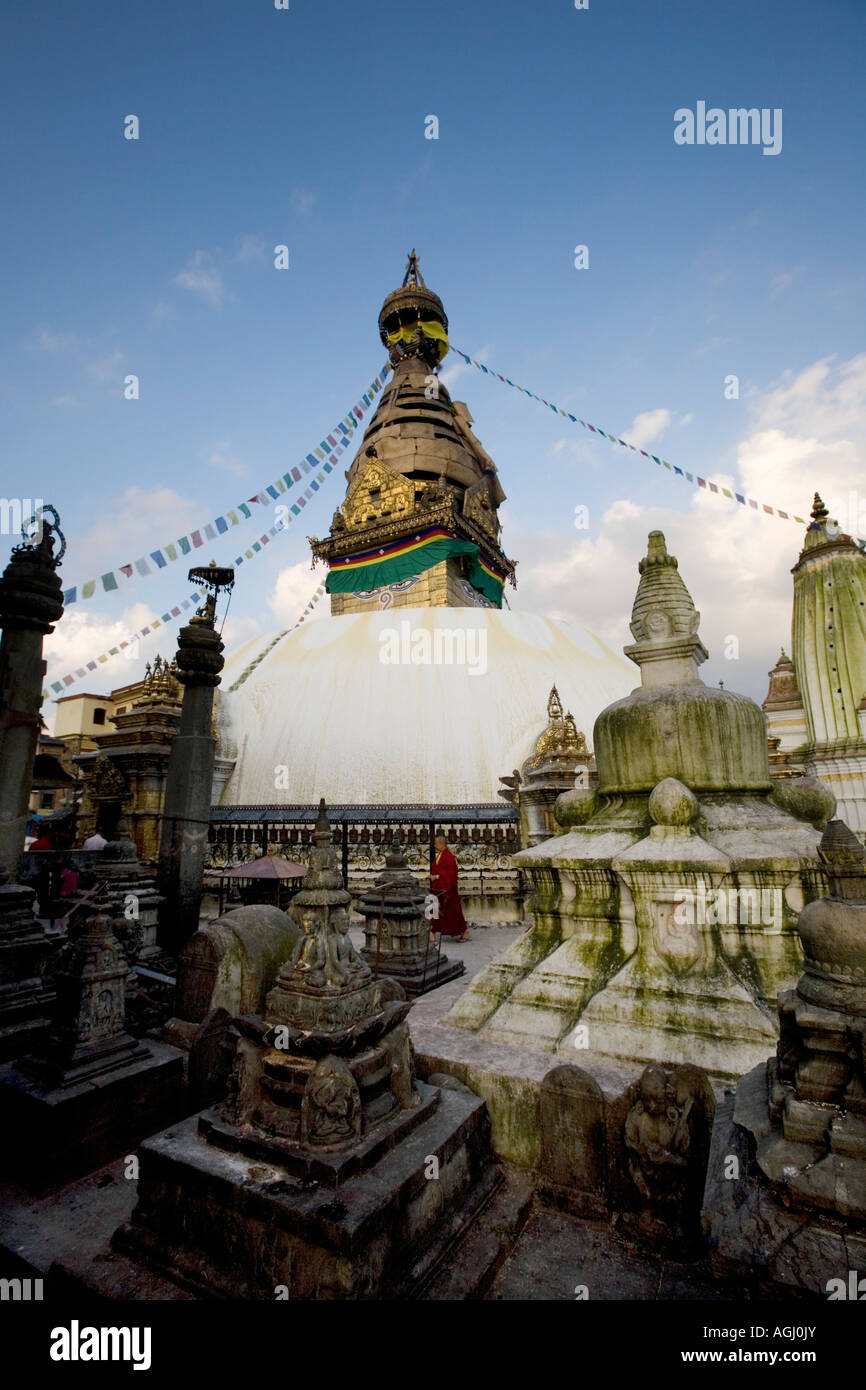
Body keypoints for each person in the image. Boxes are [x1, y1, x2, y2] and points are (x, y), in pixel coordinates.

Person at [429, 835, 470, 942]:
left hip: (448, 891)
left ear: (441, 844)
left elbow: (451, 874)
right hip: (439, 889)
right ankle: (432, 932)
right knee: (435, 910)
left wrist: (436, 877)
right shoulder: (441, 855)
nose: (434, 845)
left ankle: (464, 932)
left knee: (453, 913)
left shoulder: (449, 856)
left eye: (435, 843)